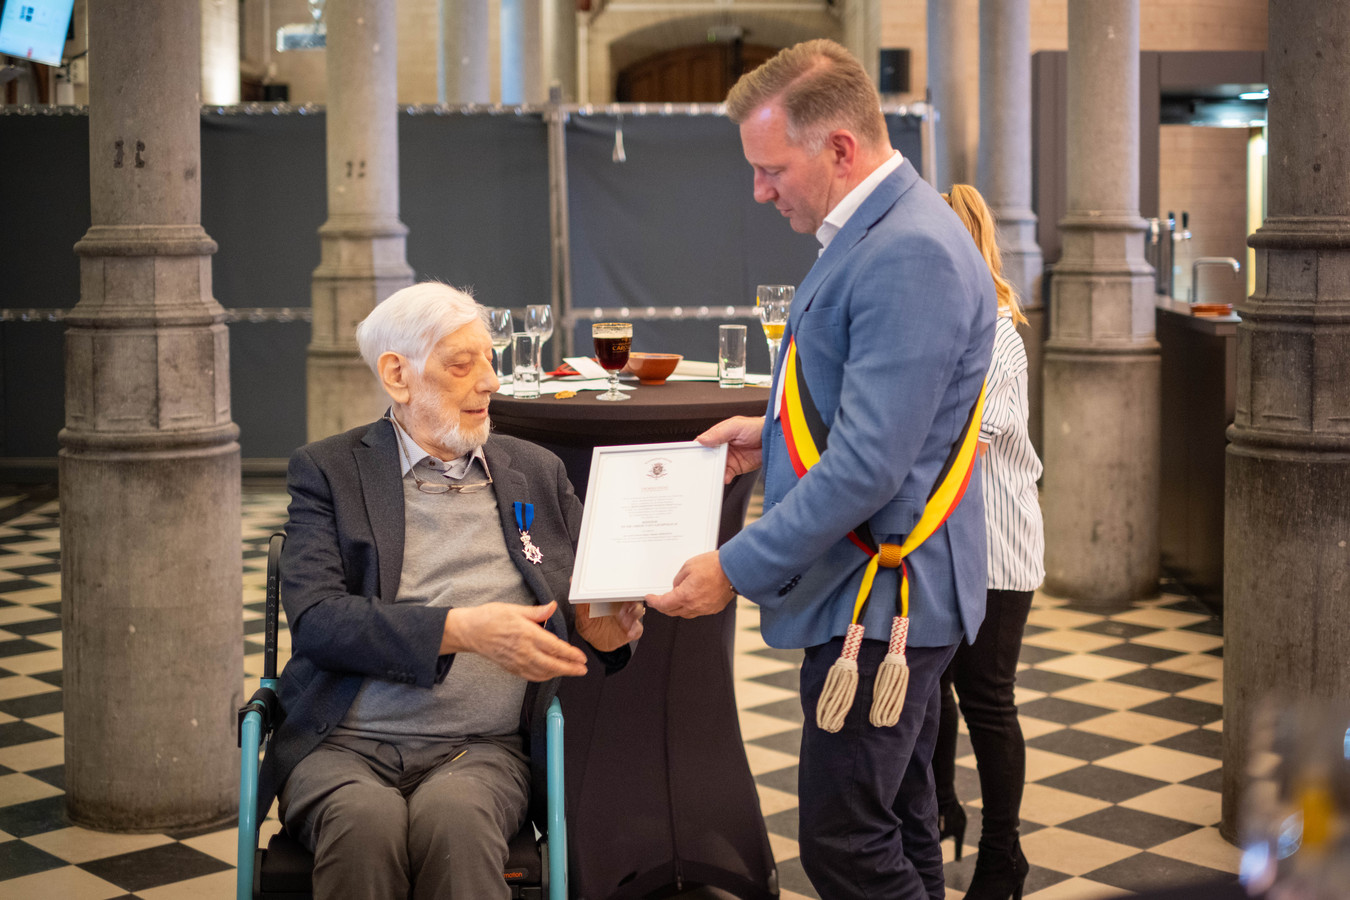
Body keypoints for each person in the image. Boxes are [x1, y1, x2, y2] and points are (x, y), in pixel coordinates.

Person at [645, 40, 995, 900]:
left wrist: (736, 566)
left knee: (846, 845)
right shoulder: (882, 226)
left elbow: (871, 465)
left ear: (840, 149)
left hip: (886, 603)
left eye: (771, 169)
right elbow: (877, 411)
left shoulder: (905, 248)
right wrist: (772, 435)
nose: (760, 191)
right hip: (884, 597)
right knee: (900, 824)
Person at [255, 282, 644, 899]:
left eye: (489, 360)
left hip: (482, 752)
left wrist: (604, 631)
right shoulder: (330, 470)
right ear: (397, 376)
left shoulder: (535, 472)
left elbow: (581, 604)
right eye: (462, 365)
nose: (488, 381)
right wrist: (459, 629)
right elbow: (319, 622)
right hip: (342, 744)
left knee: (456, 822)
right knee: (364, 826)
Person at [931, 184, 1045, 900]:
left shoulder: (999, 328)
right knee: (928, 684)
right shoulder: (953, 326)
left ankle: (1005, 856)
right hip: (948, 545)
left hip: (998, 549)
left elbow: (974, 433)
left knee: (988, 700)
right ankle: (940, 806)